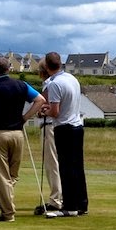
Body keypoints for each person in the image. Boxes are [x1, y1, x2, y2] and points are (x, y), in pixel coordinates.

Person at [0, 58, 45, 221]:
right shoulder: (22, 85)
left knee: (1, 175)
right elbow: (40, 100)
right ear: (9, 69)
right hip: (17, 134)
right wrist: (25, 118)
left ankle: (7, 213)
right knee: (13, 175)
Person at [40, 52, 87, 218]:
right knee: (77, 167)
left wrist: (44, 110)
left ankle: (69, 206)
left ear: (46, 66)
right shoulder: (72, 78)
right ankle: (82, 204)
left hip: (64, 127)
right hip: (77, 126)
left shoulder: (54, 84)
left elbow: (55, 111)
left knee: (66, 168)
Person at [33, 60, 62, 215]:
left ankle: (56, 200)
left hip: (50, 126)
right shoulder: (62, 81)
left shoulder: (49, 85)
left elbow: (43, 106)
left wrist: (39, 111)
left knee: (52, 164)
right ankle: (61, 197)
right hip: (61, 127)